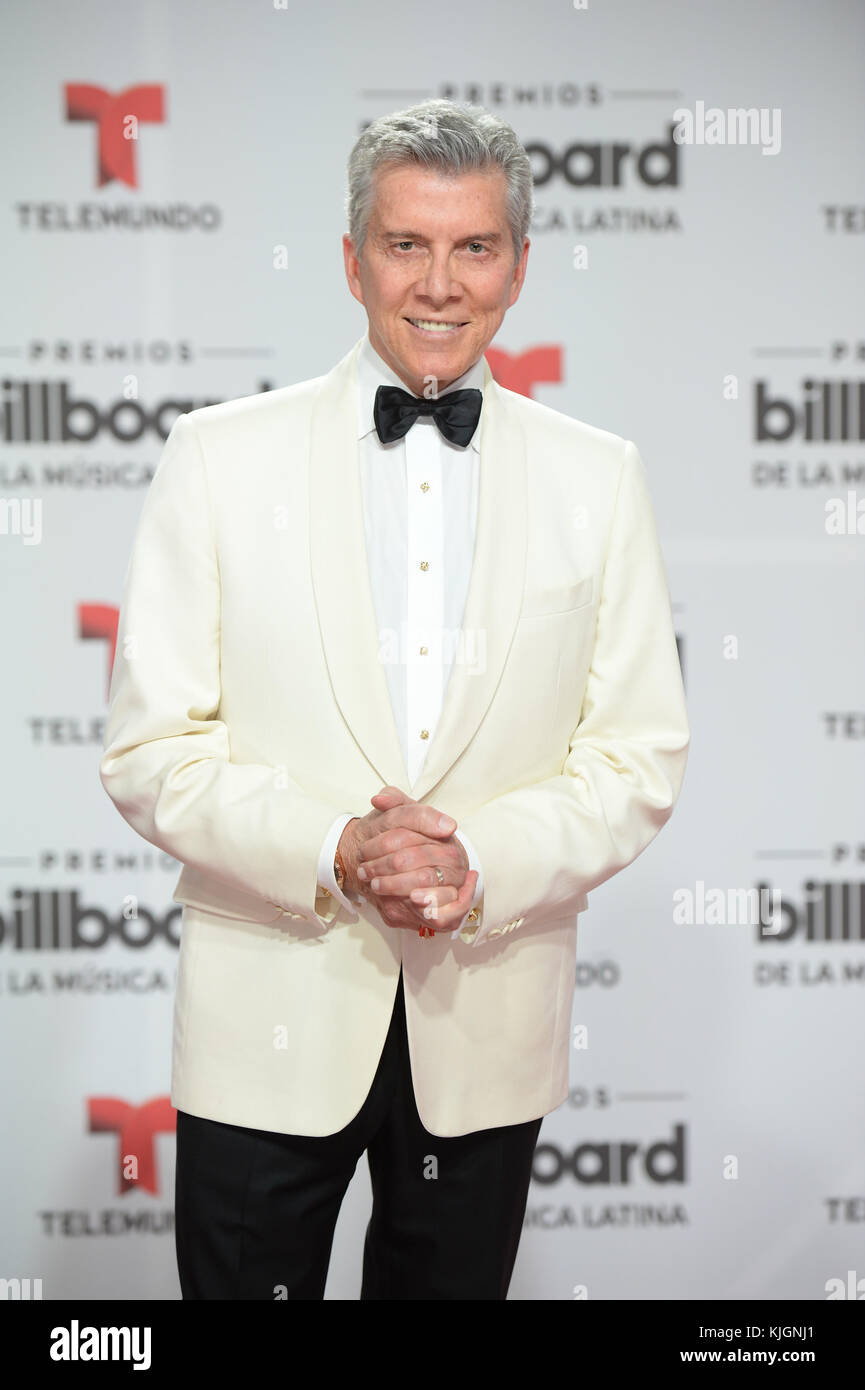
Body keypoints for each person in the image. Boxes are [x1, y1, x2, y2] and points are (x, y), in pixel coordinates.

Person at [99, 98, 690, 1300]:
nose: (438, 282)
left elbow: (634, 755)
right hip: (269, 1015)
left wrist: (474, 859)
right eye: (405, 244)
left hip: (485, 1023)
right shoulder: (218, 456)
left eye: (474, 246)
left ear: (519, 267)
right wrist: (338, 846)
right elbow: (153, 747)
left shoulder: (598, 477)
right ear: (352, 258)